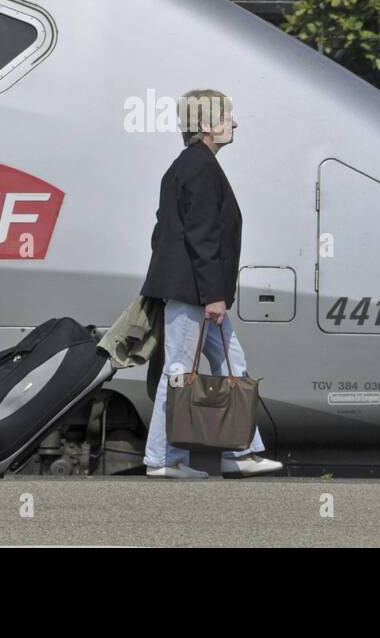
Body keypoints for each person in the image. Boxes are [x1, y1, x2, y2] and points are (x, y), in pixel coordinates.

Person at [139, 89, 283, 479]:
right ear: (205, 125)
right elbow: (201, 237)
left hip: (191, 290)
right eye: (227, 117)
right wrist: (213, 296)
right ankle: (162, 460)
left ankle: (240, 452)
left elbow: (163, 233)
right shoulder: (200, 167)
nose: (234, 123)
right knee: (181, 371)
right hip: (196, 294)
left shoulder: (185, 165)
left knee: (230, 362)